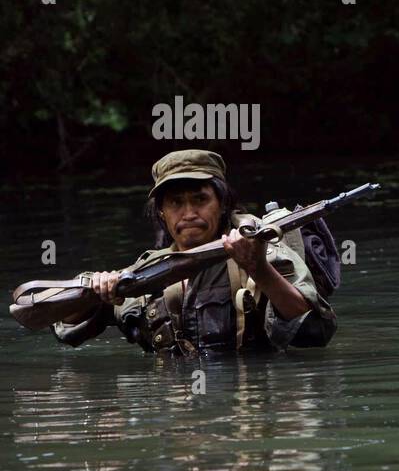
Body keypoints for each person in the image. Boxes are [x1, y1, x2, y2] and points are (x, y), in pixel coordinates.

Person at [53, 149, 336, 354]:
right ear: (162, 214)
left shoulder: (264, 252)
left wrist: (258, 268)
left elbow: (315, 332)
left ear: (223, 204)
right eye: (176, 203)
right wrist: (97, 290)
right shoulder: (146, 276)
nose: (189, 213)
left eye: (200, 200)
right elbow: (67, 329)